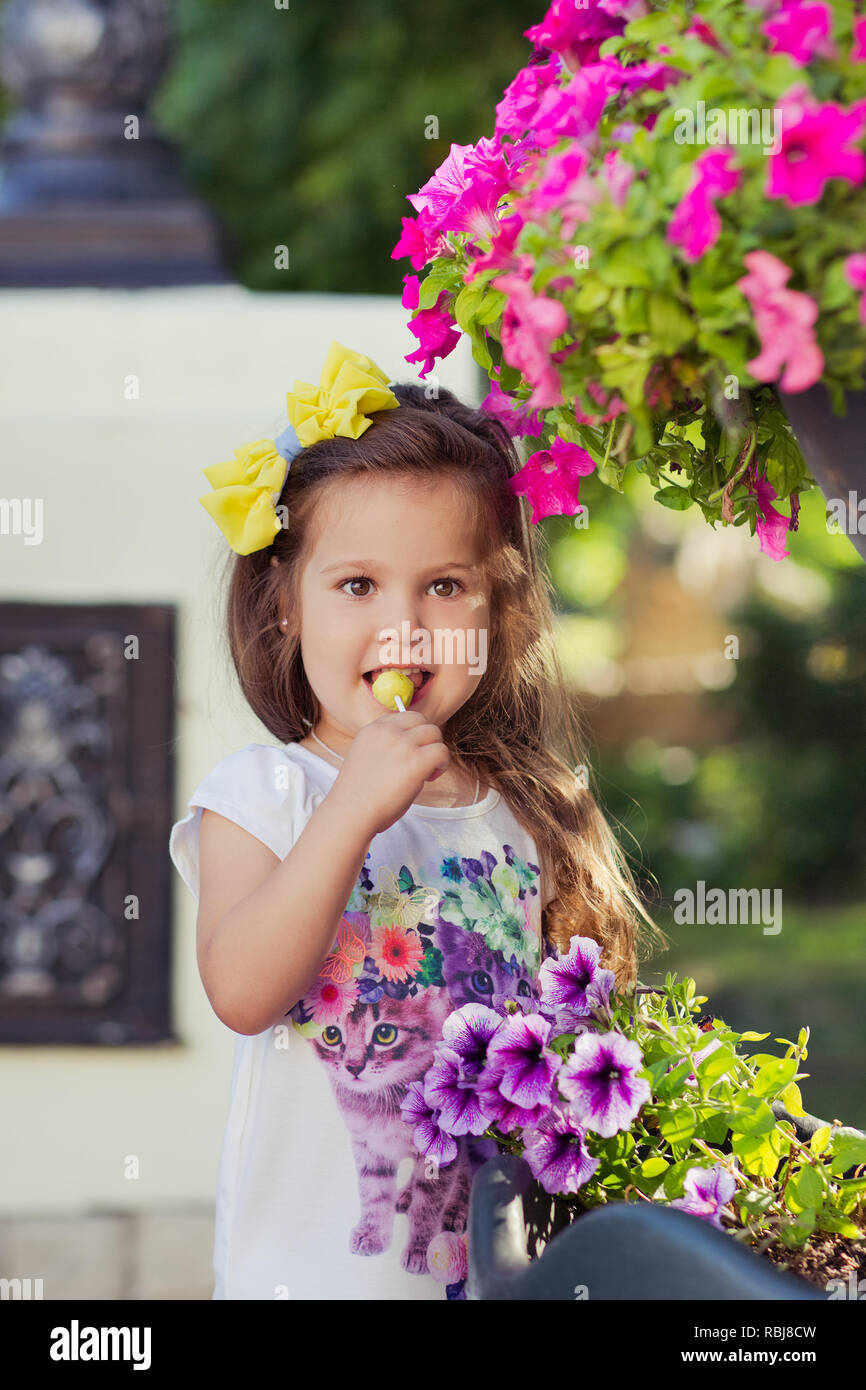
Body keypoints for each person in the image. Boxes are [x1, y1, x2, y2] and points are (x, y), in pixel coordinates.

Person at [169, 340, 667, 1301]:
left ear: (497, 608)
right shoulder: (268, 792)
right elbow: (241, 990)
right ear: (286, 606)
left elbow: (578, 1050)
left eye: (445, 585)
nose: (404, 624)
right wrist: (352, 808)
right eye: (358, 586)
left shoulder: (529, 810)